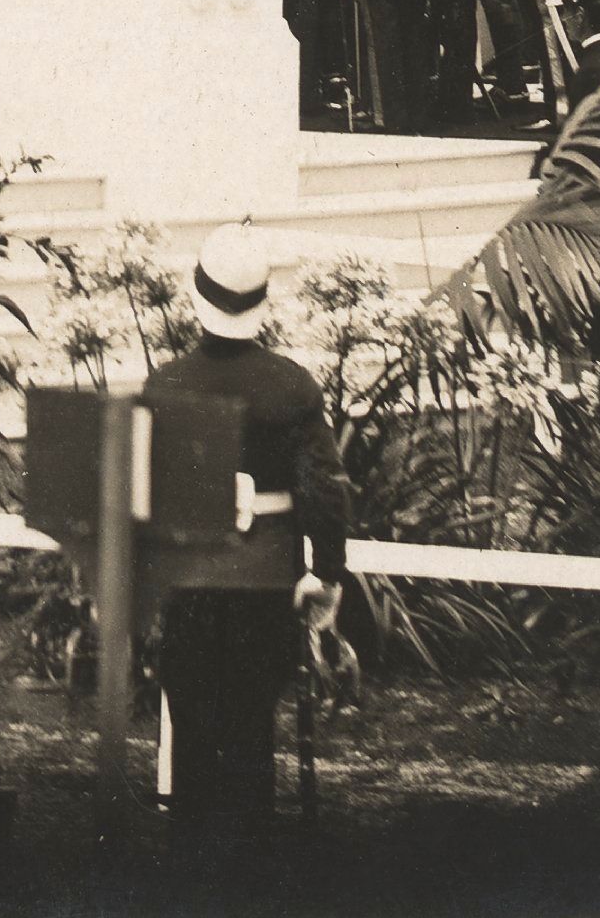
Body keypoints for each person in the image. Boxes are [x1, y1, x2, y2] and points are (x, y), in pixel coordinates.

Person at [137, 232, 350, 843]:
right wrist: (325, 574)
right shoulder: (292, 386)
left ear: (196, 296)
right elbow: (324, 491)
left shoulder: (165, 383)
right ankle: (249, 858)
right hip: (265, 579)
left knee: (191, 722)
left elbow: (147, 494)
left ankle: (193, 858)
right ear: (262, 302)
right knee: (251, 725)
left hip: (191, 583)